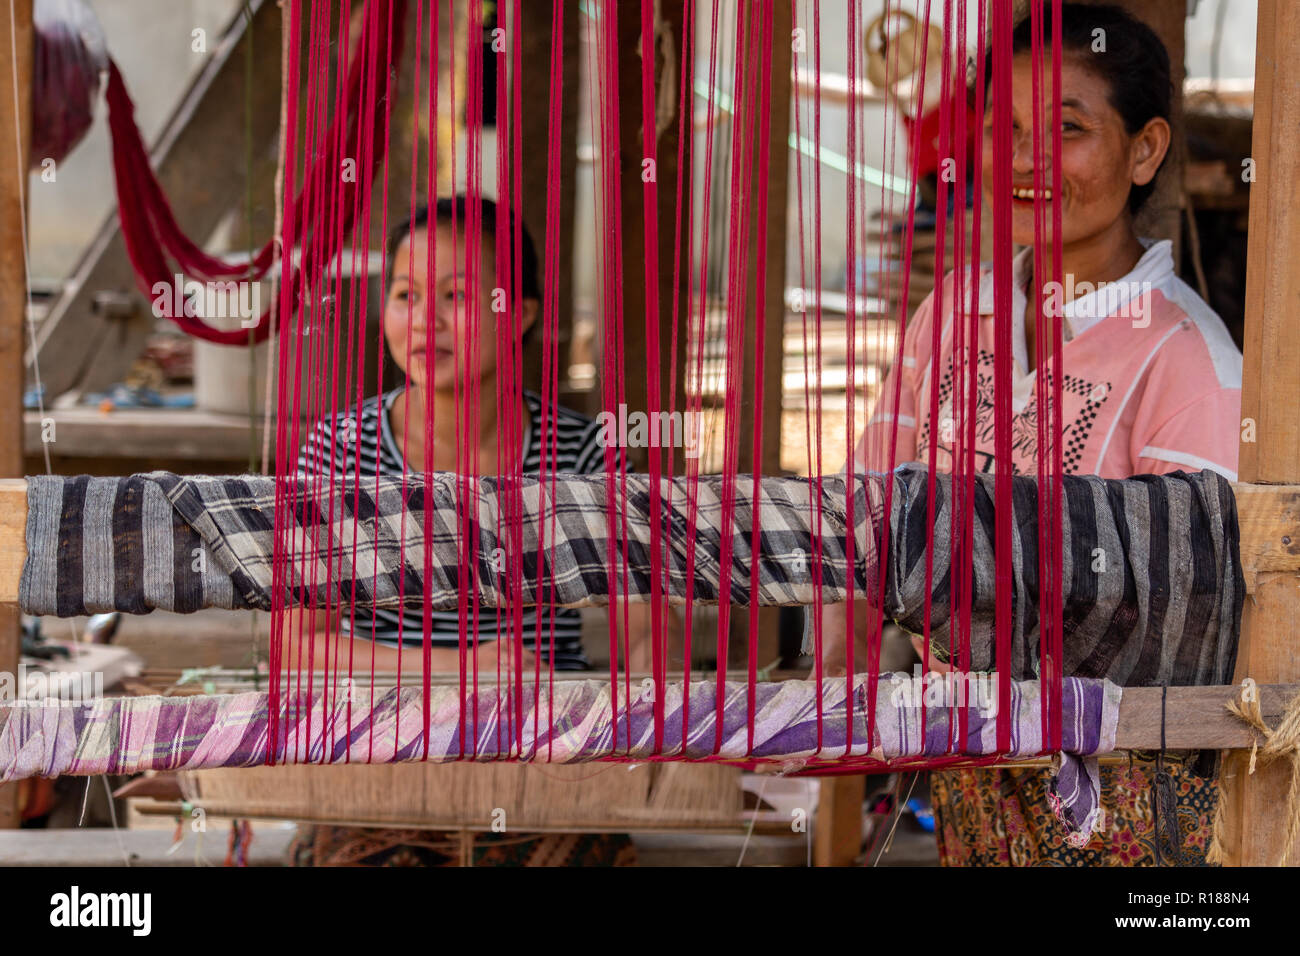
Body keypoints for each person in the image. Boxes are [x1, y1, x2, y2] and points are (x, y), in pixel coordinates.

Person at [825, 4, 1241, 865]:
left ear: (1146, 150)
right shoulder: (952, 317)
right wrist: (832, 699)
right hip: (967, 777)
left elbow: (1195, 633)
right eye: (1003, 128)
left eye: (1067, 128)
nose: (1026, 160)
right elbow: (862, 518)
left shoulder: (1189, 361)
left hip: (1130, 804)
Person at [285, 195, 641, 865]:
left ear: (522, 315)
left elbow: (642, 633)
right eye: (405, 294)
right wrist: (458, 670)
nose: (425, 322)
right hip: (379, 754)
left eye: (456, 295)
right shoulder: (337, 451)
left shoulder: (584, 455)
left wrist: (663, 732)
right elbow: (299, 649)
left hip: (537, 757)